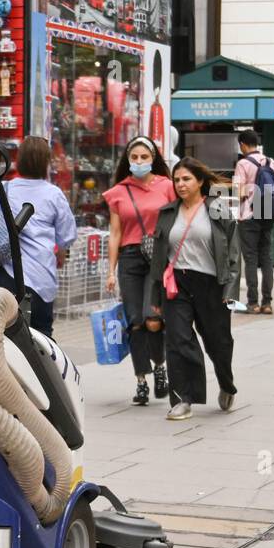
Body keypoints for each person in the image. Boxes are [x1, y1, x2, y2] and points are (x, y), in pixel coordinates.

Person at [145, 157, 240, 421]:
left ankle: (226, 383)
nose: (180, 184)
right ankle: (183, 398)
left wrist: (231, 290)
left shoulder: (217, 209)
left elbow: (233, 252)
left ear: (200, 181)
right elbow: (158, 259)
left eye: (186, 179)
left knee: (218, 343)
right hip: (177, 284)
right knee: (177, 340)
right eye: (176, 179)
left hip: (212, 284)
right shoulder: (168, 213)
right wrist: (155, 296)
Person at [0, 136, 77, 337]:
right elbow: (65, 237)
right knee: (42, 335)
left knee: (3, 334)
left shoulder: (5, 188)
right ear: (46, 162)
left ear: (19, 160)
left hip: (6, 275)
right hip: (42, 278)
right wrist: (60, 256)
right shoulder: (54, 194)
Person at [103, 136, 176, 406]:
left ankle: (160, 367)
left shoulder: (168, 186)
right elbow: (115, 234)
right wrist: (111, 271)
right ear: (127, 160)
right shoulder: (118, 191)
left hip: (158, 257)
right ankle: (141, 381)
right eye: (134, 158)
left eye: (144, 157)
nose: (139, 162)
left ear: (153, 158)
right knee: (134, 321)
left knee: (153, 318)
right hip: (131, 258)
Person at [232, 129, 274, 315]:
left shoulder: (243, 164)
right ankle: (267, 303)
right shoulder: (271, 162)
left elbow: (239, 192)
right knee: (266, 258)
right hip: (268, 214)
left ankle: (252, 303)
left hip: (249, 216)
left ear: (243, 144)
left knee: (251, 259)